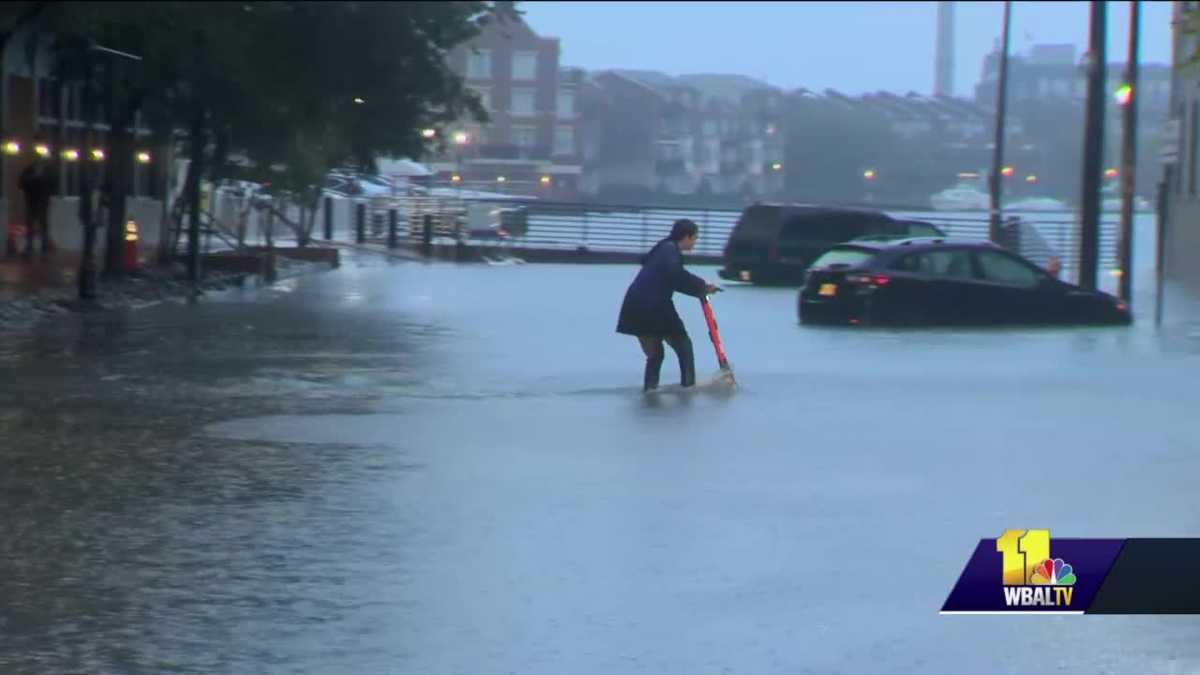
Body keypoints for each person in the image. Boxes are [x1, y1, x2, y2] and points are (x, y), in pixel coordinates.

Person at [616, 218, 719, 392]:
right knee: (683, 346)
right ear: (686, 237)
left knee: (655, 354)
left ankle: (650, 391)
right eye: (694, 238)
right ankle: (688, 388)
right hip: (655, 307)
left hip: (635, 306)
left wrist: (699, 289)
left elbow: (673, 279)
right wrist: (702, 286)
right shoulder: (670, 252)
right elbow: (676, 275)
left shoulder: (662, 248)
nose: (695, 243)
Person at [18, 157, 55, 259]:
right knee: (30, 225)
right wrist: (33, 178)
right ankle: (29, 248)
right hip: (32, 202)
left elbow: (52, 184)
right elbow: (21, 183)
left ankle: (43, 250)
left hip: (42, 202)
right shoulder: (29, 170)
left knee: (43, 226)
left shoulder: (48, 171)